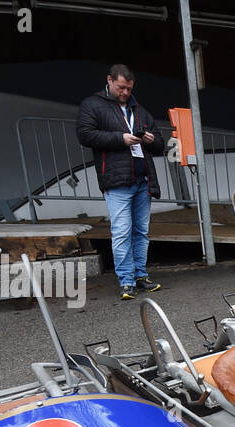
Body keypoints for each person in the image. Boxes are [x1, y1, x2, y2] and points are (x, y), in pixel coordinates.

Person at [76, 64, 166, 301]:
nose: (125, 92)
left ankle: (140, 276)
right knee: (122, 232)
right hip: (117, 181)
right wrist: (120, 138)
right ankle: (126, 281)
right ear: (109, 80)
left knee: (141, 232)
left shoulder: (140, 110)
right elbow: (85, 134)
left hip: (142, 179)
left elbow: (160, 145)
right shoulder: (92, 104)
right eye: (121, 87)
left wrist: (151, 139)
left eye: (129, 88)